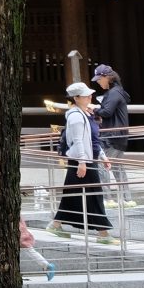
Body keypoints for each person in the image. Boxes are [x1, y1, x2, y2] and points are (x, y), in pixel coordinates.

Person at [47, 83, 115, 243]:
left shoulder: (85, 114)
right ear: (76, 98)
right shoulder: (76, 116)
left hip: (84, 160)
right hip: (81, 161)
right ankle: (103, 233)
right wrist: (83, 162)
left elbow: (93, 140)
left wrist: (103, 157)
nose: (89, 97)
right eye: (85, 95)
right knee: (93, 194)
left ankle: (56, 224)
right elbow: (77, 141)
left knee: (73, 194)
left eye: (89, 94)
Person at [93, 64, 133, 208]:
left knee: (102, 164)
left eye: (99, 79)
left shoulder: (114, 93)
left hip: (112, 136)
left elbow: (107, 112)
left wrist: (95, 110)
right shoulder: (118, 91)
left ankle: (108, 199)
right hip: (120, 135)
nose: (98, 82)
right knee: (117, 166)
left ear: (107, 77)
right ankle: (128, 199)